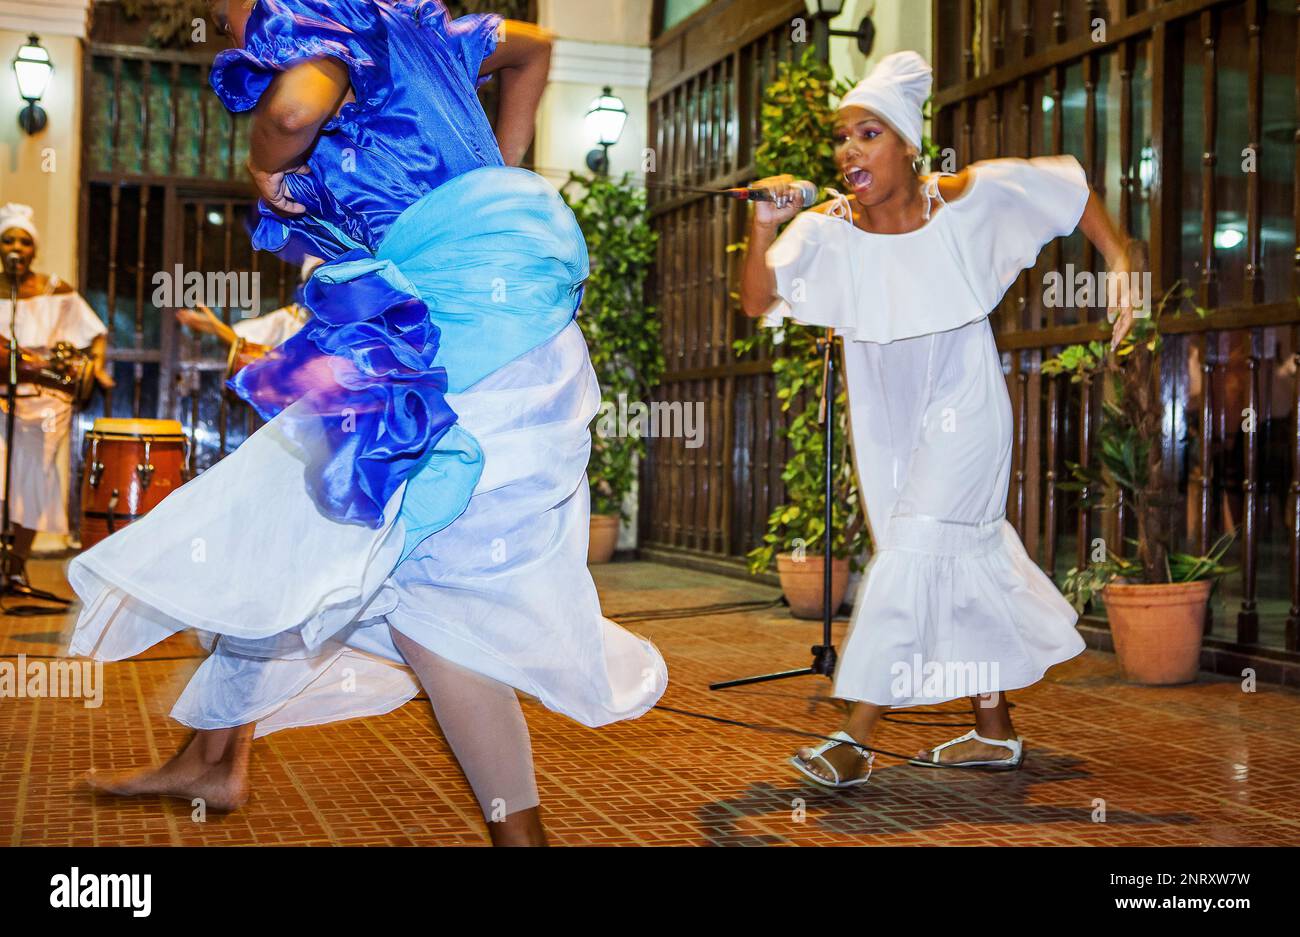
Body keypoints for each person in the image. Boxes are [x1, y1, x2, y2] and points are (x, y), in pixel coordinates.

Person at [68, 0, 666, 846]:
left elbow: (291, 109)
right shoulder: (425, 32)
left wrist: (267, 163)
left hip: (451, 346)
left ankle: (520, 836)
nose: (229, 26)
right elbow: (534, 51)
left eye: (223, 10)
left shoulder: (321, 26)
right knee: (288, 526)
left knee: (427, 600)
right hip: (474, 328)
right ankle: (213, 760)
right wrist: (495, 172)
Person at [739, 52, 1135, 787]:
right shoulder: (829, 228)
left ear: (908, 144)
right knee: (946, 553)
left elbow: (1068, 187)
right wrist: (766, 224)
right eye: (842, 138)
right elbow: (759, 300)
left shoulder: (961, 200)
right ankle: (994, 730)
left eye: (868, 133)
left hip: (965, 404)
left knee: (917, 548)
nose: (849, 150)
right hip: (885, 412)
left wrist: (1119, 261)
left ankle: (857, 734)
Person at [0, 204, 113, 592]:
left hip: (46, 400)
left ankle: (15, 567)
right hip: (1, 395)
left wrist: (94, 367)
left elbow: (95, 332)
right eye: (8, 240)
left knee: (30, 479)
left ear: (34, 249)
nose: (16, 247)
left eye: (24, 241)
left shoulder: (55, 290)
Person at [176, 255, 323, 353]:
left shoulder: (344, 325)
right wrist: (215, 327)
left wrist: (215, 327)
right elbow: (249, 347)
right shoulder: (292, 319)